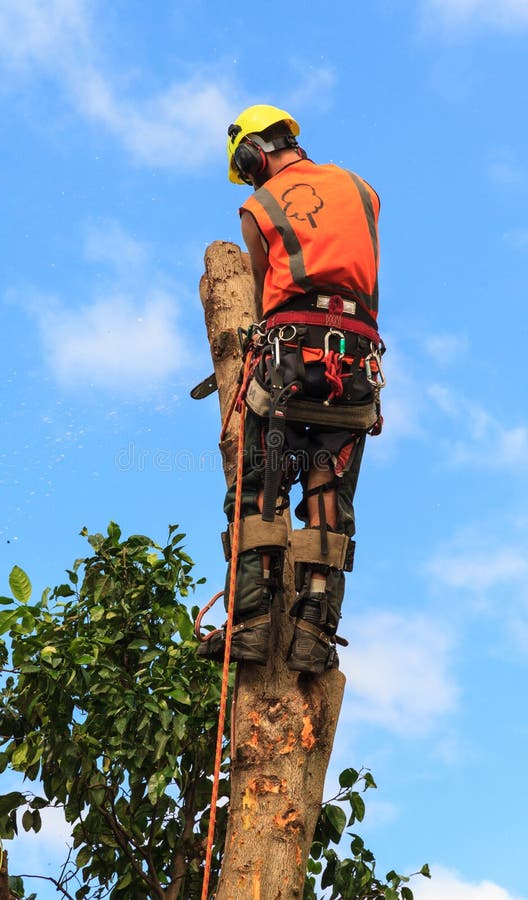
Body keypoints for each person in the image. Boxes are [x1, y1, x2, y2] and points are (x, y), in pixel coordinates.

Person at [197, 104, 384, 675]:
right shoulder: (362, 189)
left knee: (257, 486)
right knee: (328, 494)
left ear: (252, 153)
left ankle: (251, 627)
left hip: (287, 360)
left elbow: (260, 289)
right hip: (355, 363)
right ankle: (313, 635)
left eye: (247, 167)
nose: (251, 179)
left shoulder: (259, 207)